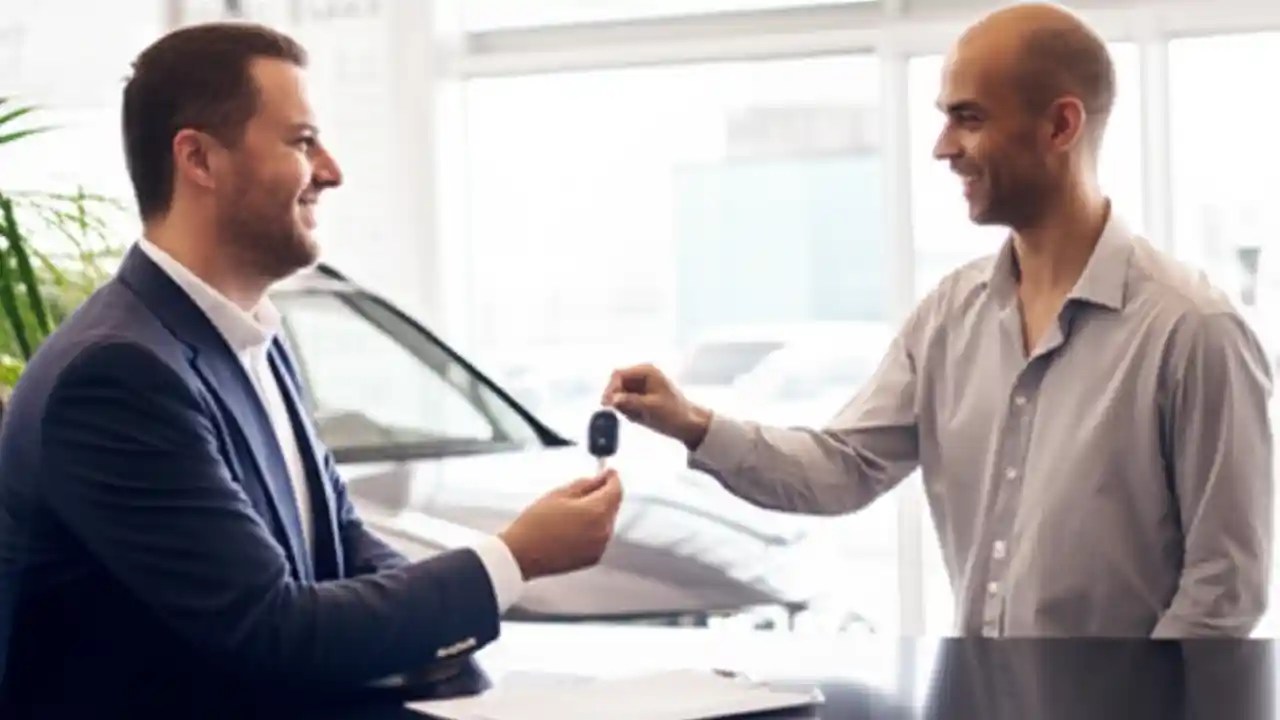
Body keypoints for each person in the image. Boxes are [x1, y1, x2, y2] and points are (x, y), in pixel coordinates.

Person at [0, 22, 622, 707]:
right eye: (301, 142)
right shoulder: (118, 374)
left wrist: (449, 619)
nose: (331, 170)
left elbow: (342, 546)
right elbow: (272, 630)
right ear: (199, 160)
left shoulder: (250, 339)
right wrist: (514, 558)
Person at [604, 2, 1273, 638]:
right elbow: (843, 469)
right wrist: (691, 423)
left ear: (1060, 127)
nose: (942, 147)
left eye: (970, 118)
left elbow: (1223, 592)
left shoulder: (1194, 332)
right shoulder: (950, 317)